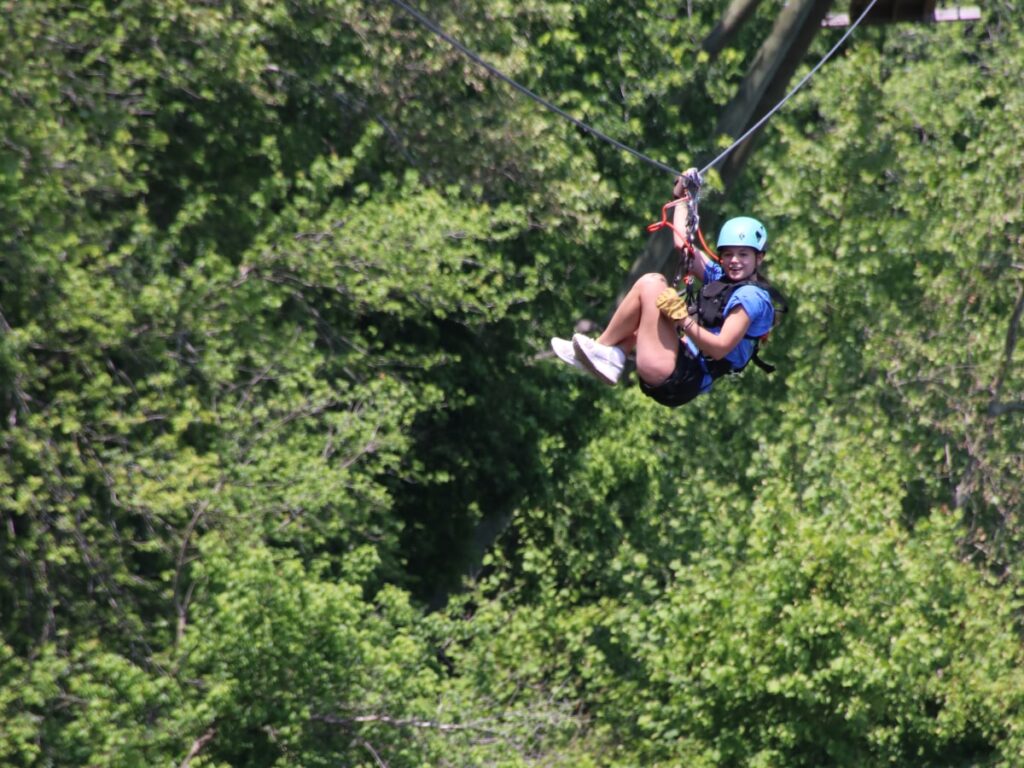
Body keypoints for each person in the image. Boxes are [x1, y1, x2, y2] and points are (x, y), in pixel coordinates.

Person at [551, 196, 777, 408]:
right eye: (728, 254)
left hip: (682, 377)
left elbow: (719, 349)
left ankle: (602, 352)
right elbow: (682, 244)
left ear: (759, 258)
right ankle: (609, 353)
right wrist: (681, 198)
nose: (734, 261)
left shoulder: (752, 298)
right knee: (643, 311)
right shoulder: (721, 278)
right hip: (677, 365)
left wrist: (682, 319)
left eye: (743, 254)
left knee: (652, 284)